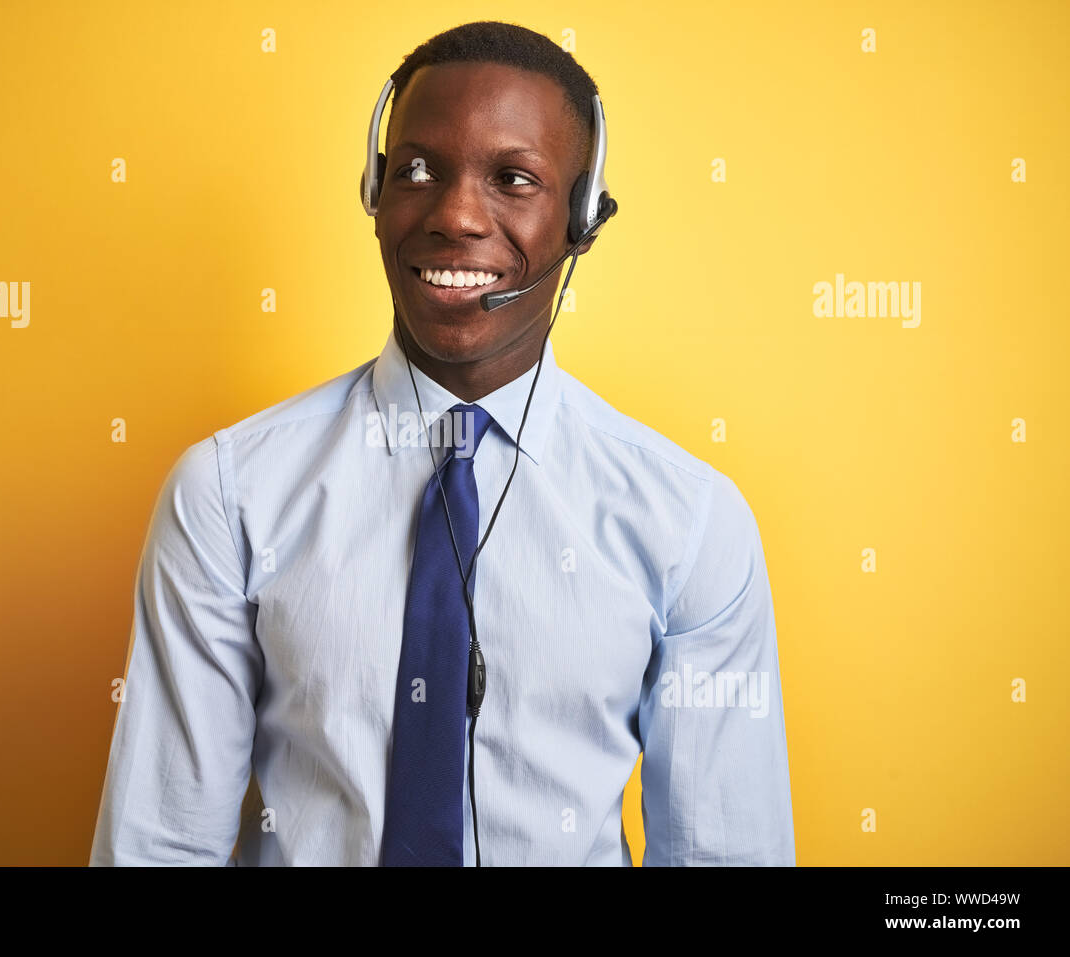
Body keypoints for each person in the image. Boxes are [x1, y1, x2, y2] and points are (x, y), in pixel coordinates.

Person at [89, 20, 795, 866]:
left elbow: (724, 852)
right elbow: (159, 844)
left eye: (513, 179)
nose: (456, 214)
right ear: (376, 191)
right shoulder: (229, 494)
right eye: (418, 169)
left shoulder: (690, 523)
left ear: (581, 217)